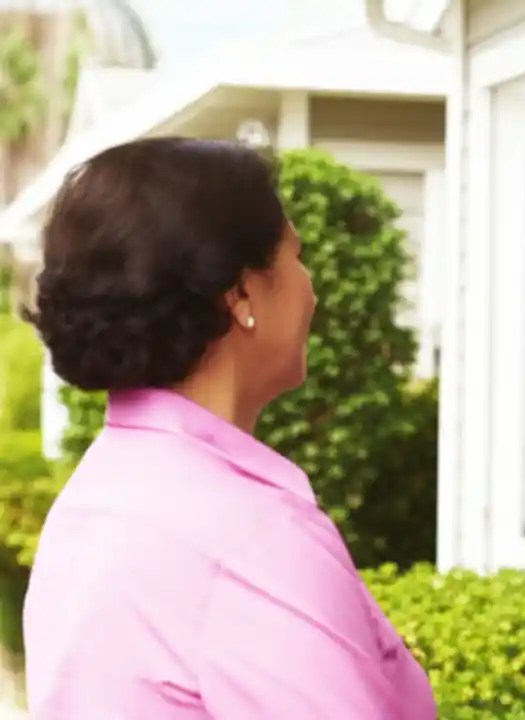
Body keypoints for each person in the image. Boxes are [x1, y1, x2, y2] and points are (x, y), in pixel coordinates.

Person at [20, 137, 436, 719]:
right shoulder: (250, 538)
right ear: (241, 293)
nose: (311, 290)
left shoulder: (90, 500)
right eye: (295, 257)